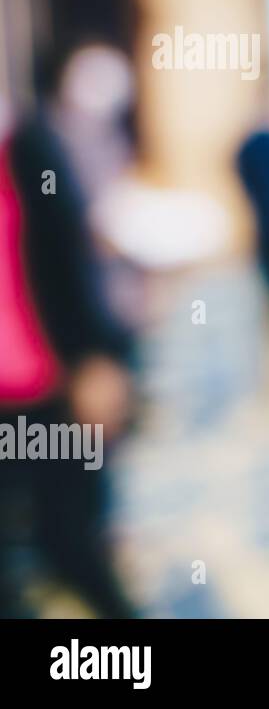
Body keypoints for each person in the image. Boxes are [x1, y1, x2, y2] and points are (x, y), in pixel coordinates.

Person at [0, 97, 137, 618]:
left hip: (41, 388)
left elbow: (64, 258)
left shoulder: (25, 150)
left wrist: (94, 358)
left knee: (70, 542)